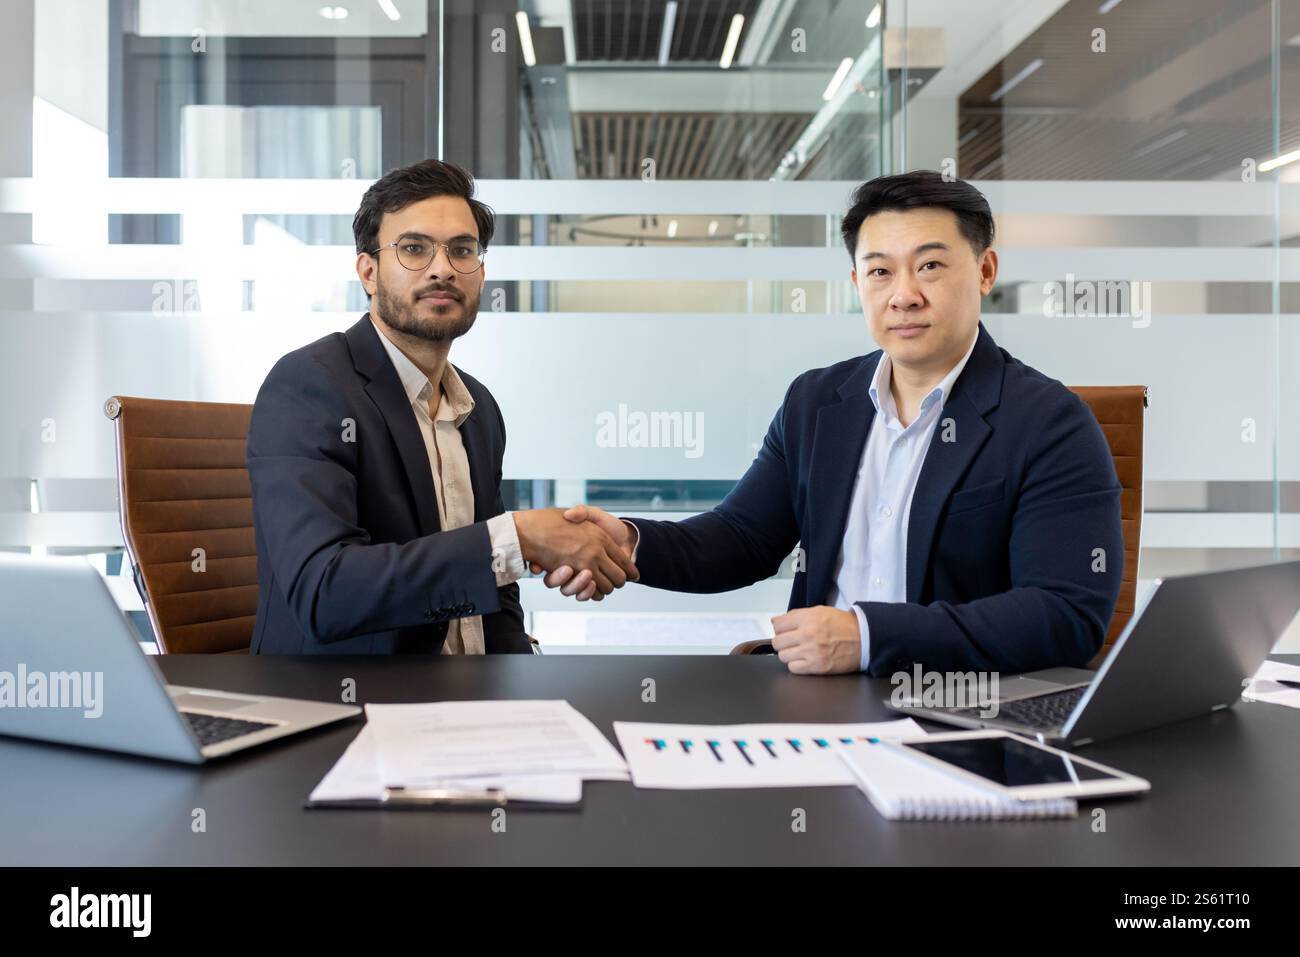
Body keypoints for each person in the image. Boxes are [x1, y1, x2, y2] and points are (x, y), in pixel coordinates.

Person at [544, 171, 1123, 677]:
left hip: (963, 713)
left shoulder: (1050, 423)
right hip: (821, 705)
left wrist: (868, 637)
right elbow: (742, 540)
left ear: (985, 270)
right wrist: (630, 541)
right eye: (879, 272)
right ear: (857, 285)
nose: (904, 295)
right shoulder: (818, 402)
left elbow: (1066, 614)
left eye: (930, 266)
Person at [247, 159, 636, 655]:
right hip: (348, 708)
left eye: (462, 250)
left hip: (471, 698)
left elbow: (496, 595)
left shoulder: (478, 408)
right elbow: (324, 593)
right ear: (368, 272)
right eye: (413, 248)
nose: (442, 268)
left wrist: (523, 676)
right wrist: (517, 538)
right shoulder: (309, 386)